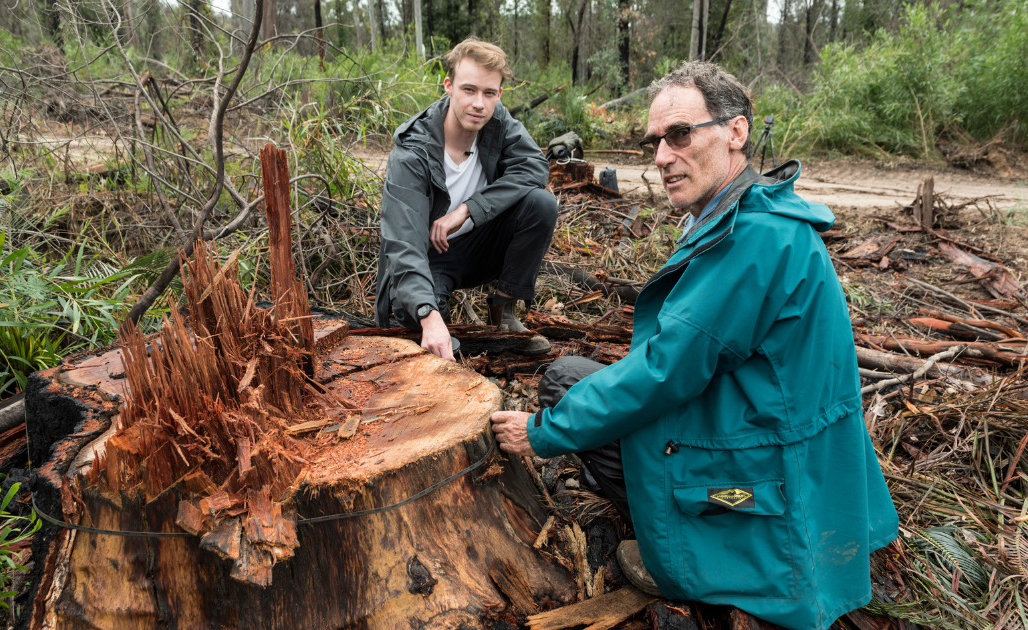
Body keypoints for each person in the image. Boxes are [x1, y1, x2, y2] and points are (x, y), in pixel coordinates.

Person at [490, 61, 898, 630]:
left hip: (764, 471)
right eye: (655, 142)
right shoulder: (753, 213)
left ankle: (691, 554)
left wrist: (542, 433)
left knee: (566, 389)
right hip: (769, 430)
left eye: (680, 135)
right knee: (576, 379)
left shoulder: (754, 239)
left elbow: (664, 370)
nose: (661, 156)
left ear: (736, 132)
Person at [375, 38, 555, 358]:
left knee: (541, 204)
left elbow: (534, 166)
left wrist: (467, 210)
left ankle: (504, 310)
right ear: (449, 86)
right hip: (429, 257)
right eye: (469, 90)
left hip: (478, 246)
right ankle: (452, 337)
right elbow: (403, 245)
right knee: (414, 315)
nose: (479, 104)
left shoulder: (498, 122)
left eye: (489, 93)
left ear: (499, 94)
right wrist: (428, 315)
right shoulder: (412, 152)